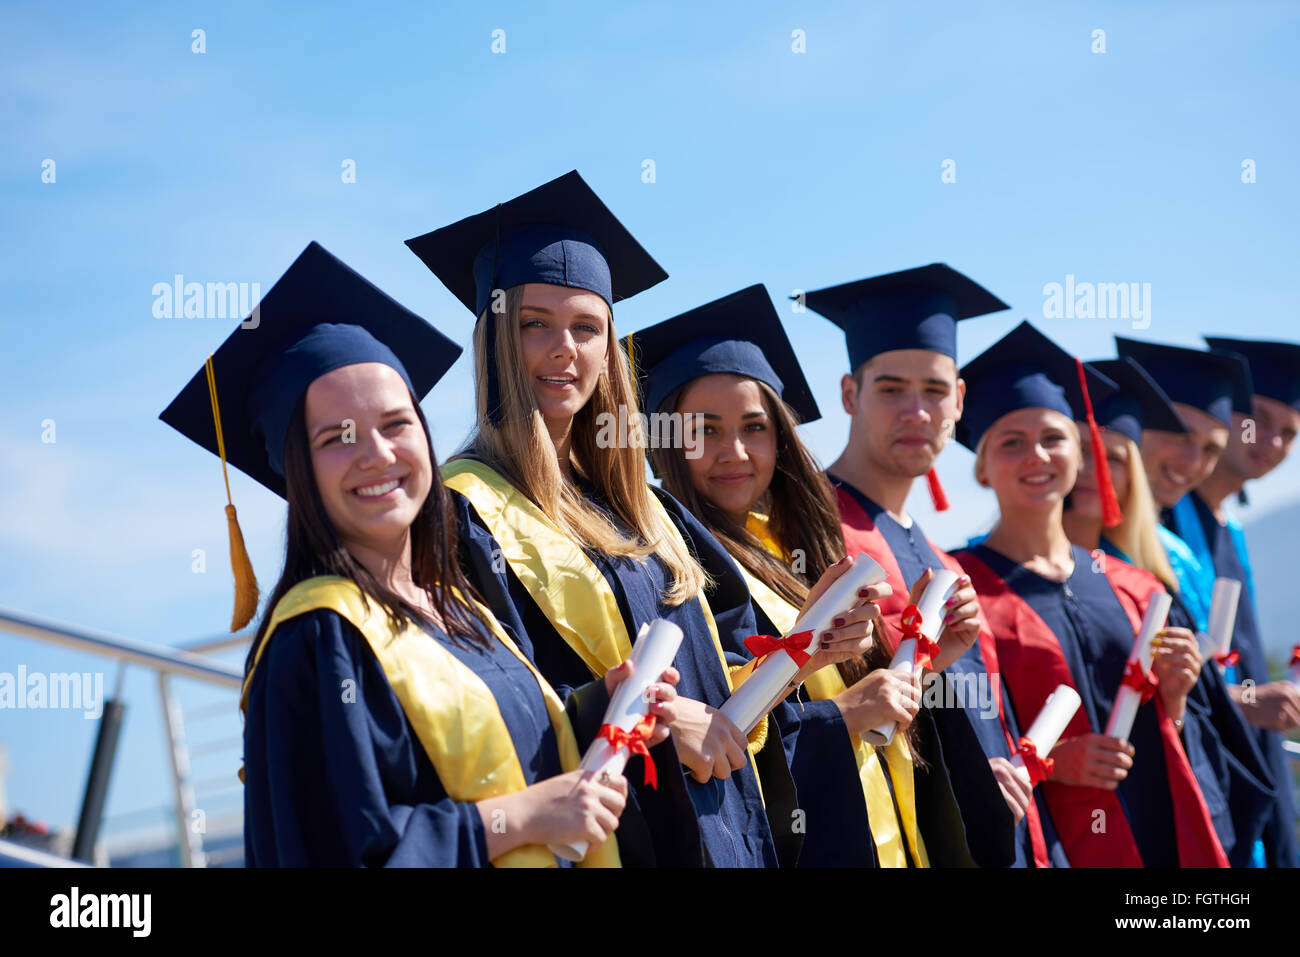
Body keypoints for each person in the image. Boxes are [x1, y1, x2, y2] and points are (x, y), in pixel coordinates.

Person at [405, 172, 878, 867]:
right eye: (535, 323)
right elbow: (488, 708)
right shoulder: (461, 511)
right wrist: (651, 719)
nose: (565, 347)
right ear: (495, 338)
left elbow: (732, 676)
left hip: (729, 830)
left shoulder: (647, 509)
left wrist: (809, 644)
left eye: (587, 327)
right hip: (622, 839)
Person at [161, 242, 678, 867]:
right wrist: (518, 817)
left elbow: (496, 755)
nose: (377, 454)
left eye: (396, 424)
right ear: (298, 471)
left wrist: (604, 705)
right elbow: (342, 854)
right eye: (336, 438)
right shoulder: (322, 639)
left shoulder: (454, 608)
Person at [629, 283, 974, 867]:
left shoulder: (801, 540)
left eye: (755, 427)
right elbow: (705, 735)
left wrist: (922, 658)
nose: (734, 451)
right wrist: (841, 717)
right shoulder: (663, 561)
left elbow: (864, 697)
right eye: (704, 430)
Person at [803, 263, 1056, 867]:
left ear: (959, 401)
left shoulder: (939, 555)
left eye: (936, 391)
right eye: (891, 389)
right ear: (848, 394)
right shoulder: (810, 525)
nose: (917, 410)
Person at [952, 321, 1227, 867]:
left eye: (1055, 439)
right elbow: (955, 745)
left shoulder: (1137, 588)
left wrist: (1175, 696)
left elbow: (1181, 743)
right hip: (1055, 846)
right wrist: (1051, 762)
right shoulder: (962, 589)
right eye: (1011, 442)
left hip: (1157, 840)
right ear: (982, 468)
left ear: (1082, 458)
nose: (1037, 455)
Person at [1061, 356, 1275, 866]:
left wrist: (1177, 699)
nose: (1096, 475)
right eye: (1082, 452)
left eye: (1114, 459)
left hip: (1147, 812)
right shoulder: (988, 571)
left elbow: (1192, 728)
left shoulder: (1151, 582)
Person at [1121, 335, 1299, 867]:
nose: (1268, 440)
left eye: (1288, 432)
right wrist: (1242, 701)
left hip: (1243, 757)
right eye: (1257, 421)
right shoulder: (1155, 528)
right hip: (1185, 761)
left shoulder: (1227, 531)